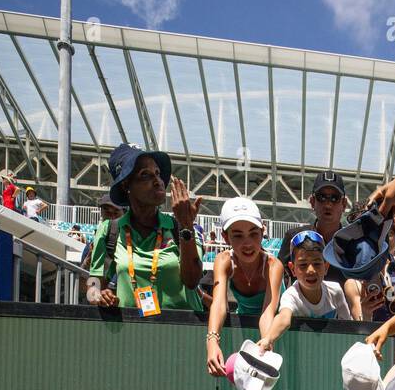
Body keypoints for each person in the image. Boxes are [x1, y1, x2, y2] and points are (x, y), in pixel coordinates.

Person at [88, 143, 204, 313]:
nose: (158, 181)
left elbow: (192, 280)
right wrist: (97, 295)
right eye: (145, 175)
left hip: (182, 331)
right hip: (135, 333)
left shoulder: (179, 228)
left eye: (157, 173)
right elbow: (94, 283)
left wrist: (186, 225)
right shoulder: (110, 231)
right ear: (126, 185)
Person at [205, 196, 282, 375]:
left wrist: (265, 344)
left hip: (275, 331)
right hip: (244, 327)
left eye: (253, 233)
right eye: (238, 235)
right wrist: (212, 341)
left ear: (262, 232)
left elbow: (267, 312)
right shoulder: (223, 260)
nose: (247, 243)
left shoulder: (273, 265)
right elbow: (219, 304)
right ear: (225, 237)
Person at [274, 170, 362, 317]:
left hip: (343, 326)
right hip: (299, 322)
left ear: (344, 204)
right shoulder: (294, 238)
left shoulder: (355, 244)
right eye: (322, 197)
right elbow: (277, 281)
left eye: (334, 198)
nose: (328, 204)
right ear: (312, 202)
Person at [258, 231, 352, 351]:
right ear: (293, 269)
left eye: (317, 263)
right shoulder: (291, 296)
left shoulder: (335, 291)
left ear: (326, 267)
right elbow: (283, 318)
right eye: (303, 265)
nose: (311, 270)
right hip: (301, 353)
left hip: (329, 351)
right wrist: (268, 339)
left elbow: (347, 326)